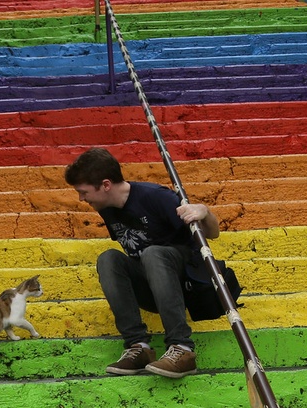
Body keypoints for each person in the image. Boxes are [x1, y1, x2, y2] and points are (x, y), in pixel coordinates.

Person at [63, 147, 220, 378]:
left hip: (188, 286)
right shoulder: (107, 208)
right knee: (108, 258)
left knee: (152, 253)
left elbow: (212, 234)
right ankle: (139, 347)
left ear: (106, 185)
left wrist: (204, 212)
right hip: (152, 288)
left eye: (84, 192)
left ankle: (182, 349)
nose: (81, 198)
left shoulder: (156, 197)